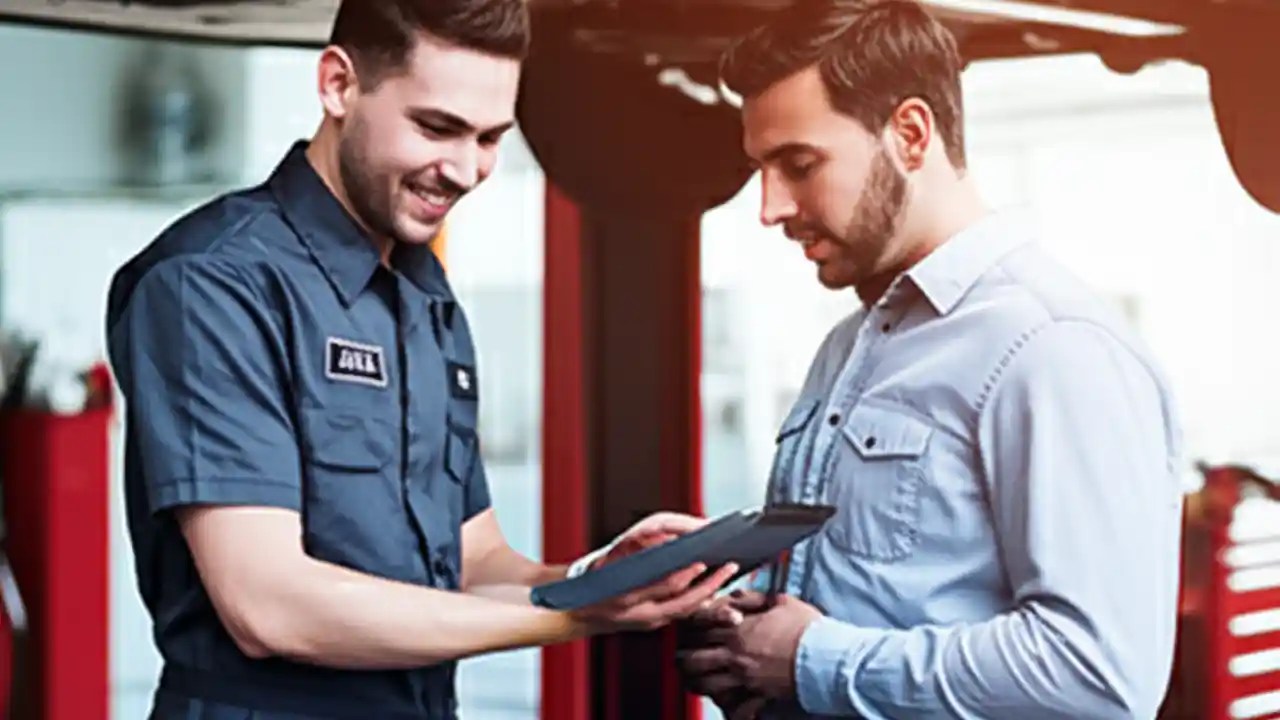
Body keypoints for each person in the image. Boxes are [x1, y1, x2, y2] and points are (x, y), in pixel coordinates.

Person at [103, 1, 738, 718]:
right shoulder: (213, 284)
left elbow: (473, 567)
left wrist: (598, 580)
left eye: (490, 138)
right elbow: (267, 606)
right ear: (338, 85)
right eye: (436, 128)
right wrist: (579, 619)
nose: (465, 169)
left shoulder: (422, 296)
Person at [676, 1, 1184, 718]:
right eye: (762, 168)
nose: (770, 207)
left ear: (910, 134)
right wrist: (747, 636)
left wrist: (809, 660)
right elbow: (876, 600)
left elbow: (1096, 676)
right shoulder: (847, 348)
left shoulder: (1052, 347)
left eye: (798, 164)